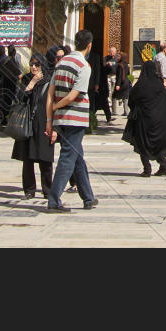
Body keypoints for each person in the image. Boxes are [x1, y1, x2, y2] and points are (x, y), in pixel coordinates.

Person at [43, 29, 98, 213]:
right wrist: (57, 107)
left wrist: (50, 118)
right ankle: (54, 199)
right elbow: (74, 95)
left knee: (77, 158)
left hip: (60, 120)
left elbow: (50, 93)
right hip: (74, 119)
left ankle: (88, 197)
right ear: (89, 46)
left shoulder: (61, 63)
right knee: (68, 158)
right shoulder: (84, 66)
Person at [123, 59, 166, 176]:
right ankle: (163, 167)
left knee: (142, 144)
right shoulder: (159, 86)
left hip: (143, 122)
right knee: (157, 145)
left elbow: (132, 101)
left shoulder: (140, 85)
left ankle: (147, 169)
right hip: (158, 122)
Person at [11, 54, 55, 199]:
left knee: (45, 158)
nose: (34, 67)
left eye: (37, 64)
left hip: (44, 122)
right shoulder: (26, 79)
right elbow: (20, 99)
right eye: (32, 64)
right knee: (27, 158)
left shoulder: (49, 81)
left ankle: (48, 190)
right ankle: (29, 190)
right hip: (28, 122)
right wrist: (31, 83)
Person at [0, 47, 22, 128]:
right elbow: (19, 74)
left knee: (6, 102)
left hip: (5, 84)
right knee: (13, 101)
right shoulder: (13, 61)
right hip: (12, 84)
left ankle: (6, 119)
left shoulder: (3, 60)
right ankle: (11, 119)